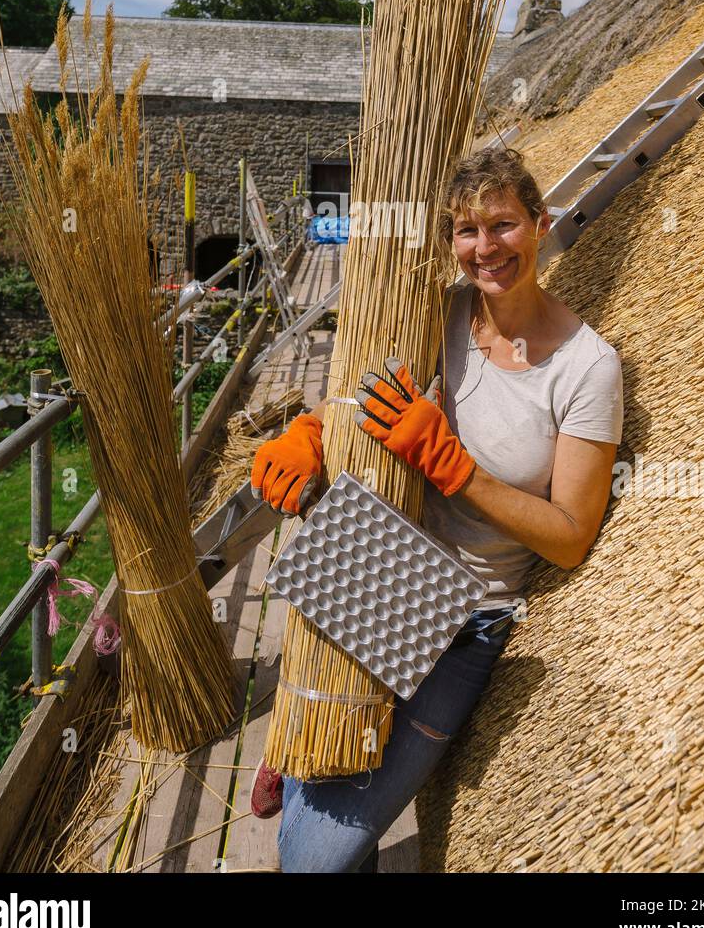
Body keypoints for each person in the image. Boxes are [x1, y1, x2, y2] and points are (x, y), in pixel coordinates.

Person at [249, 145, 624, 873]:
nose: (485, 248)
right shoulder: (433, 313)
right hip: (373, 565)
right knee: (322, 815)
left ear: (539, 224)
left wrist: (453, 467)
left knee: (312, 859)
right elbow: (353, 399)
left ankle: (297, 764)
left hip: (467, 618)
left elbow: (572, 537)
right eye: (466, 230)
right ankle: (300, 751)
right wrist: (309, 434)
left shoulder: (587, 367)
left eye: (503, 225)